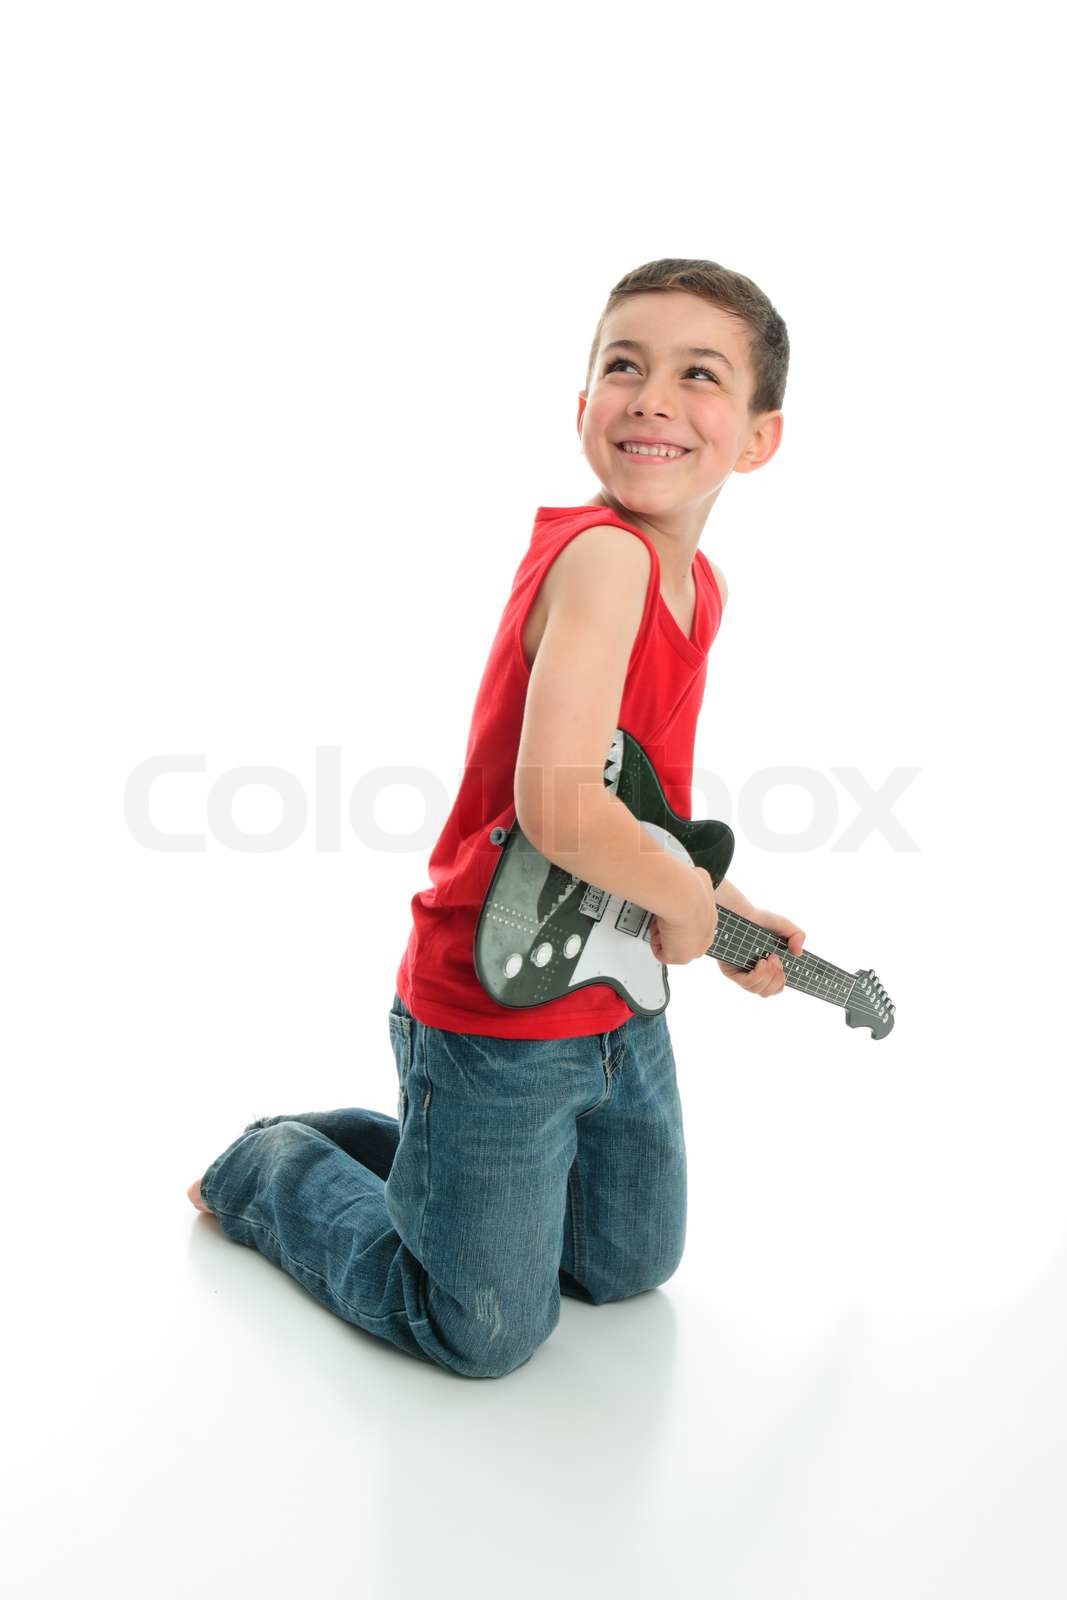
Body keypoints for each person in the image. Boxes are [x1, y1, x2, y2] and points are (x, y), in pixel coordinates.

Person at [189, 256, 807, 1379]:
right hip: (501, 997)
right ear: (583, 409)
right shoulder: (606, 559)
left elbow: (634, 804)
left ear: (758, 437)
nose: (652, 395)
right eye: (623, 364)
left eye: (698, 374)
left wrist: (718, 906)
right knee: (479, 1329)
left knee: (623, 1265)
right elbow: (559, 808)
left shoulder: (694, 585)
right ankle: (268, 1169)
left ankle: (425, 1157)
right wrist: (674, 898)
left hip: (611, 992)